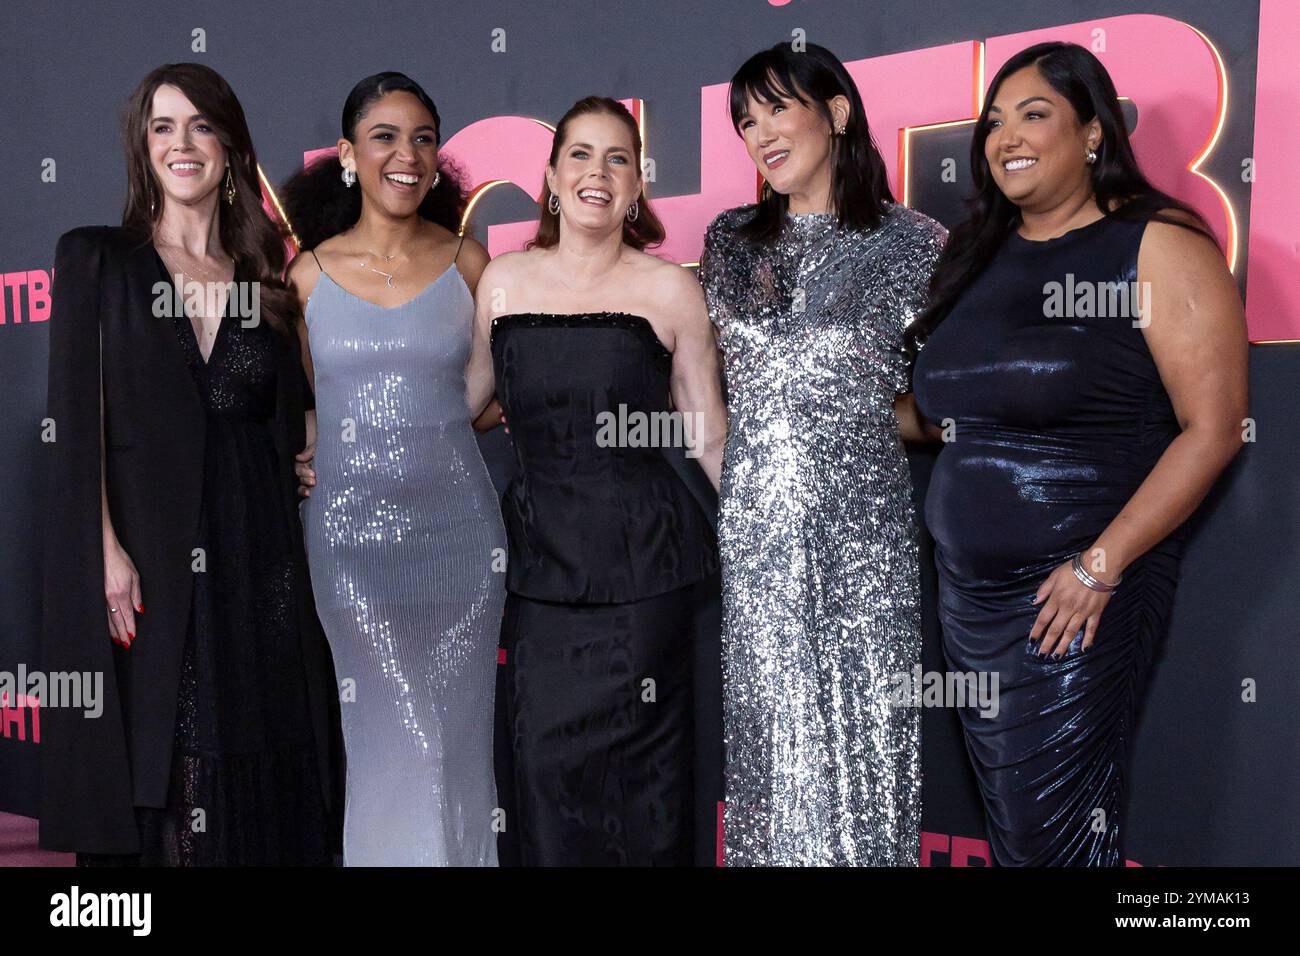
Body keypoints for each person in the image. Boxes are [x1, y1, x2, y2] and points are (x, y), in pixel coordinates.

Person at [910, 41, 1248, 866]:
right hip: (969, 603)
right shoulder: (974, 253)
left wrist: (1102, 565)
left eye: (1035, 115)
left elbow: (1216, 426)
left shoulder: (1157, 244)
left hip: (1078, 597)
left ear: (1092, 132)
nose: (1006, 138)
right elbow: (941, 412)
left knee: (1055, 839)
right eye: (995, 122)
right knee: (1018, 836)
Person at [40, 62, 335, 865]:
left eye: (201, 126)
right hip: (153, 557)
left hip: (257, 562)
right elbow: (76, 424)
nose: (182, 143)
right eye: (164, 126)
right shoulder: (99, 261)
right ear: (143, 145)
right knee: (165, 762)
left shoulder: (262, 284)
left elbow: (277, 415)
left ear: (230, 145)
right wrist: (103, 550)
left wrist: (304, 438)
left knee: (256, 748)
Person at [697, 41, 946, 866]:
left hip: (864, 531)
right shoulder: (729, 243)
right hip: (758, 534)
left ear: (835, 111)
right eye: (745, 121)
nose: (759, 132)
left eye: (776, 108)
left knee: (865, 746)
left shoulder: (916, 244)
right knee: (776, 749)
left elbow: (945, 398)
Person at [470, 96, 727, 866]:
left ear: (638, 185)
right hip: (542, 576)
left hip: (647, 577)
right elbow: (461, 404)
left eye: (618, 158)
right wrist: (335, 441)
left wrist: (767, 534)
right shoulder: (504, 284)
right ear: (550, 177)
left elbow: (708, 433)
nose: (598, 172)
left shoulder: (670, 290)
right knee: (544, 781)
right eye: (580, 154)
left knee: (645, 791)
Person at [283, 73, 504, 866]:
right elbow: (302, 401)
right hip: (349, 547)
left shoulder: (472, 264)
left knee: (456, 741)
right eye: (385, 136)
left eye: (422, 138)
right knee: (384, 735)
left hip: (459, 540)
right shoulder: (304, 277)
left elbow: (487, 397)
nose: (406, 155)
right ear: (347, 154)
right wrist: (308, 441)